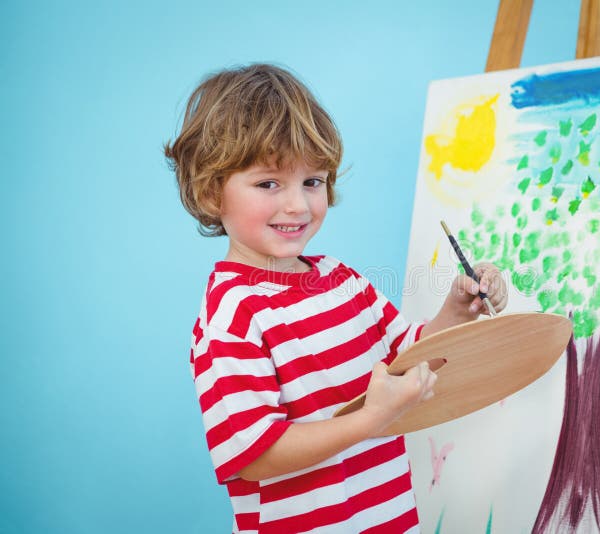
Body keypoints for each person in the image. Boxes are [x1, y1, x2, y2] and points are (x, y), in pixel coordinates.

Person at [165, 63, 508, 533]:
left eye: (313, 181)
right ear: (210, 194)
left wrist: (456, 309)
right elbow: (257, 456)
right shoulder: (232, 316)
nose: (298, 205)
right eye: (269, 183)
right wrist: (372, 419)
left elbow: (407, 357)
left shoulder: (340, 279)